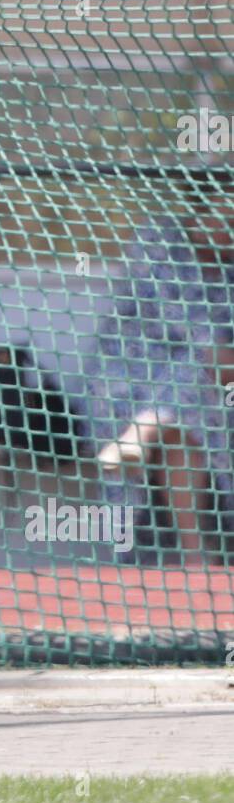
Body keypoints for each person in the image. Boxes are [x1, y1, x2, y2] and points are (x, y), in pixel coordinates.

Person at [81, 194, 234, 561]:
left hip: (203, 406)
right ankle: (146, 424)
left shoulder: (228, 271)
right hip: (127, 377)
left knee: (181, 440)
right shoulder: (159, 243)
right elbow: (200, 338)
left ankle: (196, 554)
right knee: (194, 368)